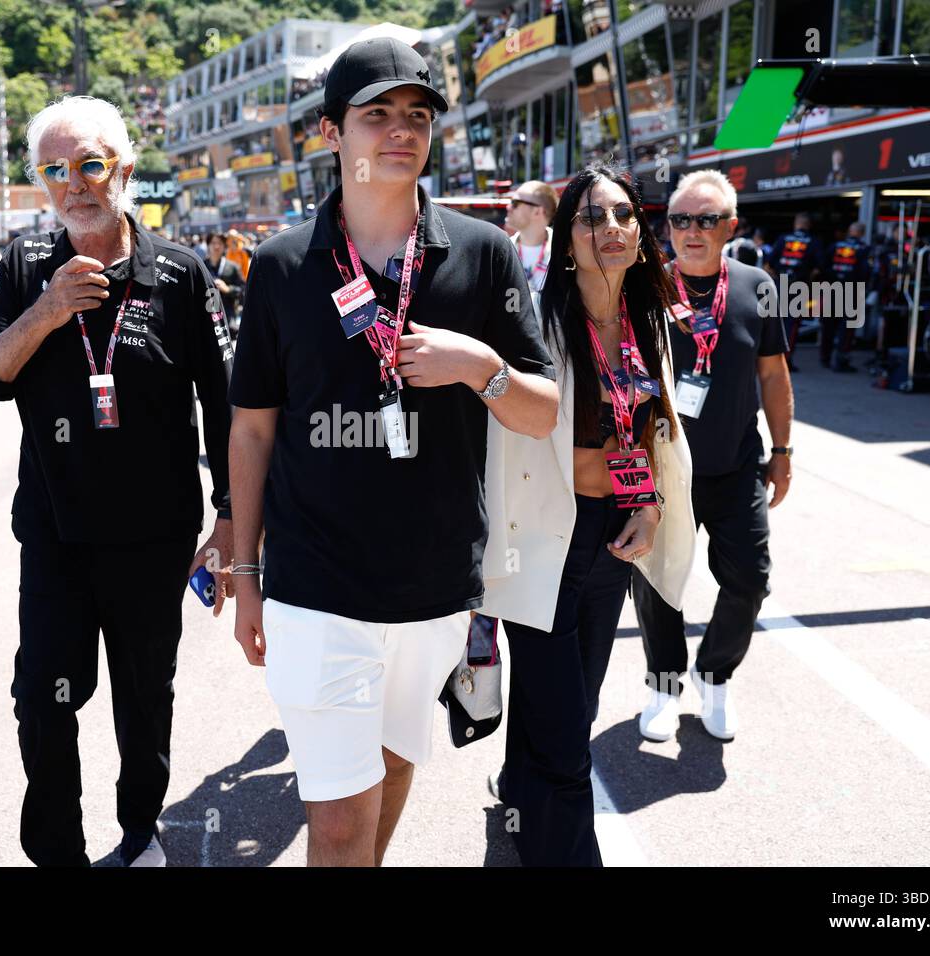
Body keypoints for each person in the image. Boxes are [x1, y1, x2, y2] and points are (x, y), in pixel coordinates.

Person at [227, 37, 558, 867]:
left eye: (417, 115)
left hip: (438, 585)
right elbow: (253, 428)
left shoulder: (483, 253)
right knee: (338, 823)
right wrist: (243, 576)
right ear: (333, 131)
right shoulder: (279, 265)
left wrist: (479, 370)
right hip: (316, 586)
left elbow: (543, 411)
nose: (400, 131)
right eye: (377, 114)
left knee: (391, 775)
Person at [0, 96, 234, 868]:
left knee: (145, 702)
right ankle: (56, 852)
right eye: (54, 169)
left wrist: (233, 517)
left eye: (89, 164)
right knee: (44, 697)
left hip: (154, 537)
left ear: (126, 170)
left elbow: (225, 400)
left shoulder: (179, 271)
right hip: (55, 534)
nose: (72, 183)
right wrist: (45, 312)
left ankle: (142, 833)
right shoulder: (22, 268)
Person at [481, 161, 696, 867]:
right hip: (544, 537)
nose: (610, 228)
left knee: (568, 705)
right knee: (569, 732)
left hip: (612, 539)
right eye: (591, 217)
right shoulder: (536, 324)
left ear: (641, 234)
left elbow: (650, 433)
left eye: (623, 216)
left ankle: (516, 800)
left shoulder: (648, 324)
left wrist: (651, 504)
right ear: (565, 235)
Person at [632, 169, 794, 742]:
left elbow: (773, 374)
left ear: (730, 226)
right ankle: (663, 683)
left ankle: (714, 675)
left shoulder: (757, 287)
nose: (691, 230)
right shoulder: (641, 285)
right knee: (656, 579)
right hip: (662, 470)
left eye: (706, 220)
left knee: (750, 579)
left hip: (735, 466)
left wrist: (782, 450)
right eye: (680, 219)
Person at [765, 212, 823, 372]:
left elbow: (768, 264)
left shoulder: (783, 238)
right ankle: (785, 361)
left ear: (796, 224)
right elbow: (819, 268)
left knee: (774, 322)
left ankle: (768, 359)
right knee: (792, 325)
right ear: (808, 225)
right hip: (799, 286)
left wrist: (776, 280)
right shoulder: (814, 241)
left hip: (779, 285)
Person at [822, 221, 871, 372]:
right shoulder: (864, 249)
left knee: (828, 325)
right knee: (847, 328)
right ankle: (841, 361)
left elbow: (824, 265)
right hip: (852, 291)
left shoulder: (835, 246)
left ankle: (825, 358)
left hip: (832, 288)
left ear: (850, 231)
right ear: (862, 233)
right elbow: (866, 271)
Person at [504, 180, 556, 302]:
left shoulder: (566, 253)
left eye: (515, 203)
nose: (508, 207)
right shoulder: (503, 252)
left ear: (537, 211)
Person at [202, 231, 243, 337]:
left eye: (220, 243)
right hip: (205, 318)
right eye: (213, 243)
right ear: (208, 245)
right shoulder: (201, 266)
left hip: (227, 318)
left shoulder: (233, 267)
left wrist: (228, 289)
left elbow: (243, 290)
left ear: (224, 246)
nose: (216, 246)